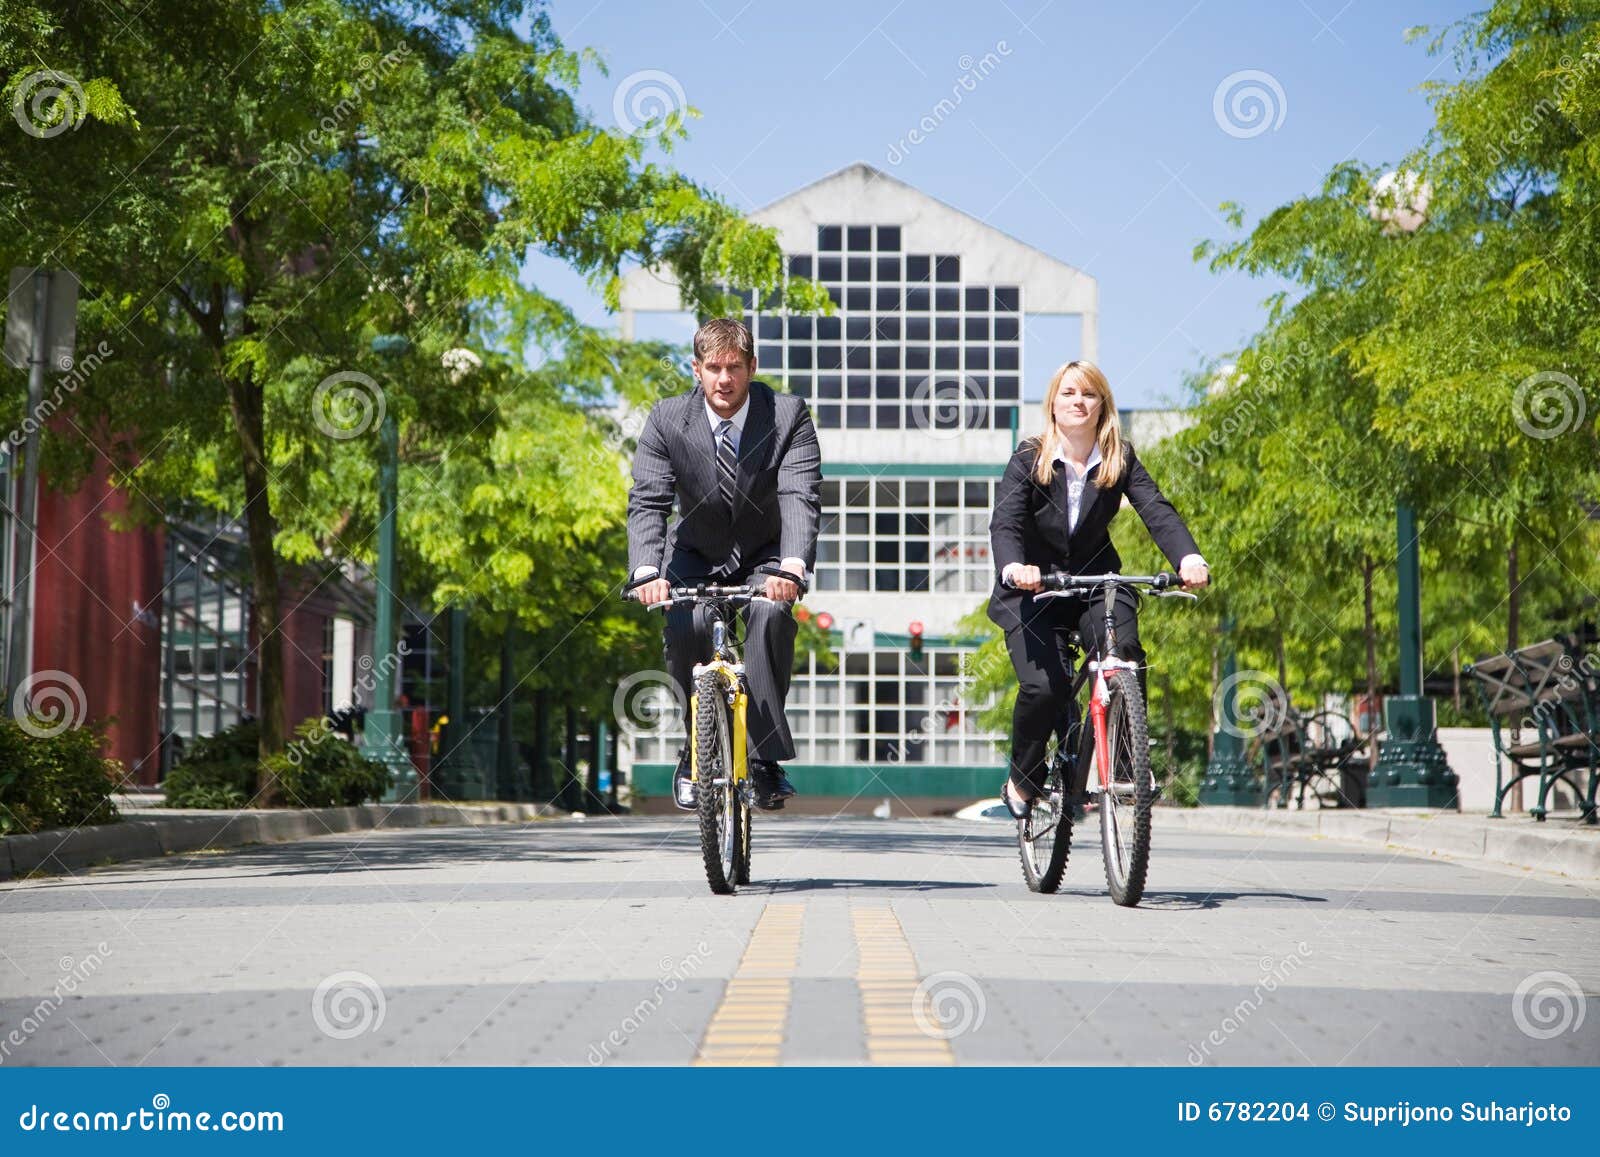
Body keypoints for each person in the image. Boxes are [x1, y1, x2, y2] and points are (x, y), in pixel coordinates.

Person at [987, 360, 1209, 818]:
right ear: (1053, 403)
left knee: (1123, 649)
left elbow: (1156, 509)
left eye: (1088, 394)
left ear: (1101, 404)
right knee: (1044, 688)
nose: (1078, 402)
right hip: (1035, 589)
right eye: (1068, 393)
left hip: (1095, 583)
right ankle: (1023, 779)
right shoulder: (1028, 457)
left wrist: (1188, 558)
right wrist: (1014, 567)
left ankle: (1127, 765)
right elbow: (1005, 522)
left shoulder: (1118, 457)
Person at [627, 318, 822, 811]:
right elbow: (650, 501)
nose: (724, 379)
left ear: (752, 367)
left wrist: (793, 567)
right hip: (693, 551)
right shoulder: (667, 419)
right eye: (713, 368)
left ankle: (763, 759)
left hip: (766, 555)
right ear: (696, 370)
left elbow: (800, 494)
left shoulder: (788, 415)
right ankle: (697, 745)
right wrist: (647, 572)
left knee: (770, 618)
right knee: (686, 621)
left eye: (735, 367)